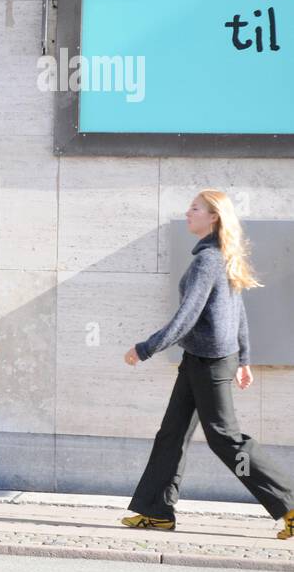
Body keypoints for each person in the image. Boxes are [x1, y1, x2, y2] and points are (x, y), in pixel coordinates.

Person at [122, 190, 294, 539]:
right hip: (201, 360)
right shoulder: (216, 255)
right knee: (172, 434)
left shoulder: (208, 260)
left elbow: (186, 317)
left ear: (213, 217)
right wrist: (244, 358)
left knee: (226, 440)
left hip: (210, 363)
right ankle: (157, 512)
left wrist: (146, 348)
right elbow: (237, 311)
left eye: (195, 208)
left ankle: (289, 504)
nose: (188, 213)